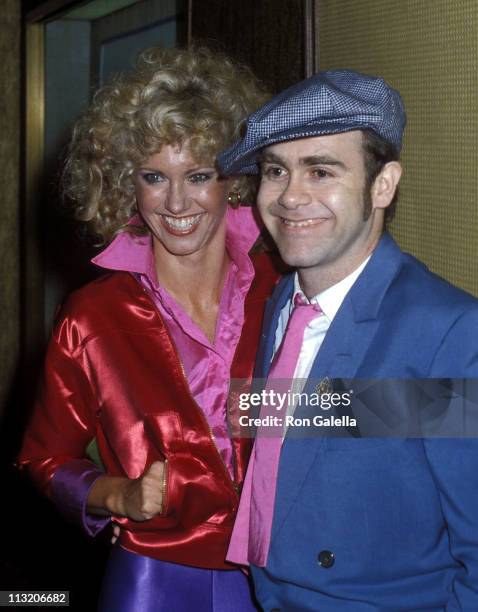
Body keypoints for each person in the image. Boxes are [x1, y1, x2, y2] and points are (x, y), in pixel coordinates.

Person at [18, 46, 280, 612]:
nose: (178, 201)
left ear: (233, 179)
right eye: (154, 176)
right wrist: (119, 495)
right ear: (124, 184)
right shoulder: (92, 317)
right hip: (156, 577)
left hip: (283, 571)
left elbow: (335, 415)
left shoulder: (283, 290)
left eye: (200, 174)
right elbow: (44, 458)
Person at [217, 70, 478, 610]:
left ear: (382, 185)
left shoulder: (448, 333)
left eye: (320, 171)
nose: (290, 197)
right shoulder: (280, 305)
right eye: (275, 171)